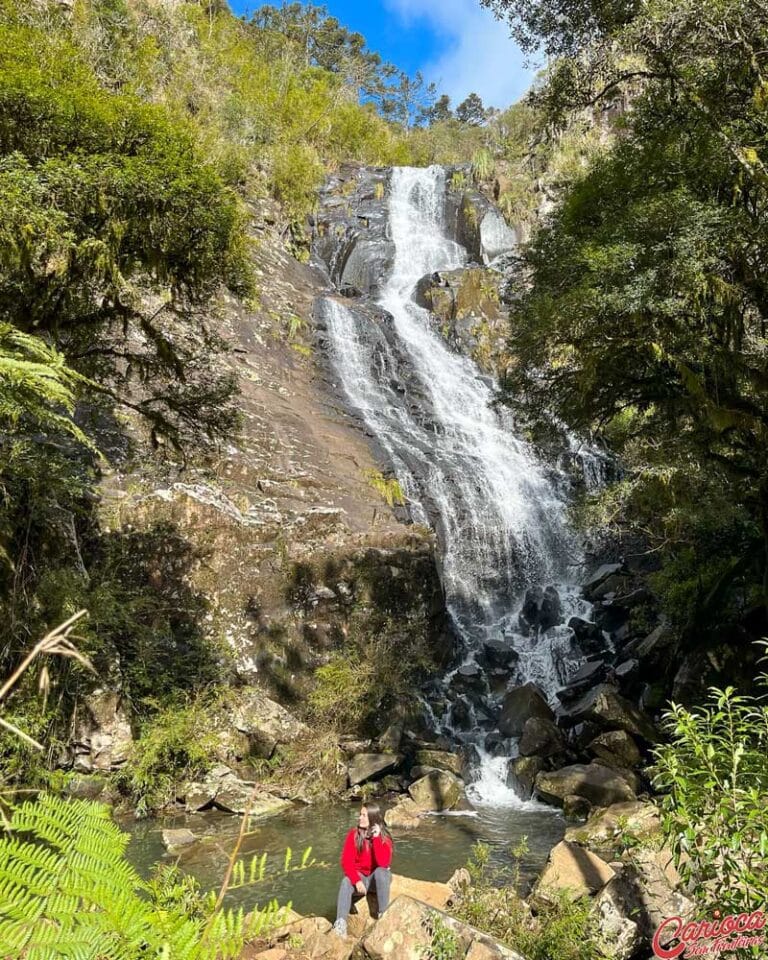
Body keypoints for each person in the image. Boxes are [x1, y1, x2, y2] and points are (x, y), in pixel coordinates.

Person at [332, 802, 393, 937]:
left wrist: (376, 839)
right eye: (360, 814)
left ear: (373, 818)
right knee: (346, 882)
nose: (360, 818)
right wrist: (356, 880)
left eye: (364, 815)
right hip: (362, 878)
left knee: (381, 872)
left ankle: (383, 915)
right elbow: (346, 862)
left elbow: (383, 863)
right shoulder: (354, 835)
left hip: (377, 880)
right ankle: (340, 925)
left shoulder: (384, 838)